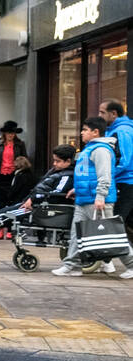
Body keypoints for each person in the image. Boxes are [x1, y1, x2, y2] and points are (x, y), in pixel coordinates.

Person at [55, 116, 133, 279]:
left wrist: (100, 196)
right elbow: (86, 173)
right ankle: (72, 266)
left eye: (85, 130)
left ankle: (131, 265)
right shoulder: (89, 149)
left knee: (112, 235)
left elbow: (104, 176)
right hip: (84, 198)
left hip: (97, 200)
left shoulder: (101, 150)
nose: (82, 133)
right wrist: (77, 188)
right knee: (77, 234)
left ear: (95, 132)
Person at [0, 145, 75, 244]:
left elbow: (55, 194)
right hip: (37, 205)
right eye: (54, 160)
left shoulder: (66, 176)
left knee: (2, 216)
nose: (54, 163)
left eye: (58, 161)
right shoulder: (60, 172)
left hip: (39, 207)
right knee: (2, 214)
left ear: (68, 161)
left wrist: (33, 199)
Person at [98, 99, 133, 257]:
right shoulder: (117, 130)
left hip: (126, 182)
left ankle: (108, 260)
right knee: (123, 221)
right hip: (126, 181)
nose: (99, 115)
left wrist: (107, 175)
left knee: (116, 221)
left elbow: (123, 160)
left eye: (102, 112)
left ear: (114, 114)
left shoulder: (122, 131)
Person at [0, 121, 27, 213]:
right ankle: (0, 221)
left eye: (13, 133)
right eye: (9, 133)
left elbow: (24, 159)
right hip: (0, 175)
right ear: (4, 133)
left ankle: (10, 221)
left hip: (14, 175)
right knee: (0, 200)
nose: (11, 135)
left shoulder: (20, 144)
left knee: (12, 199)